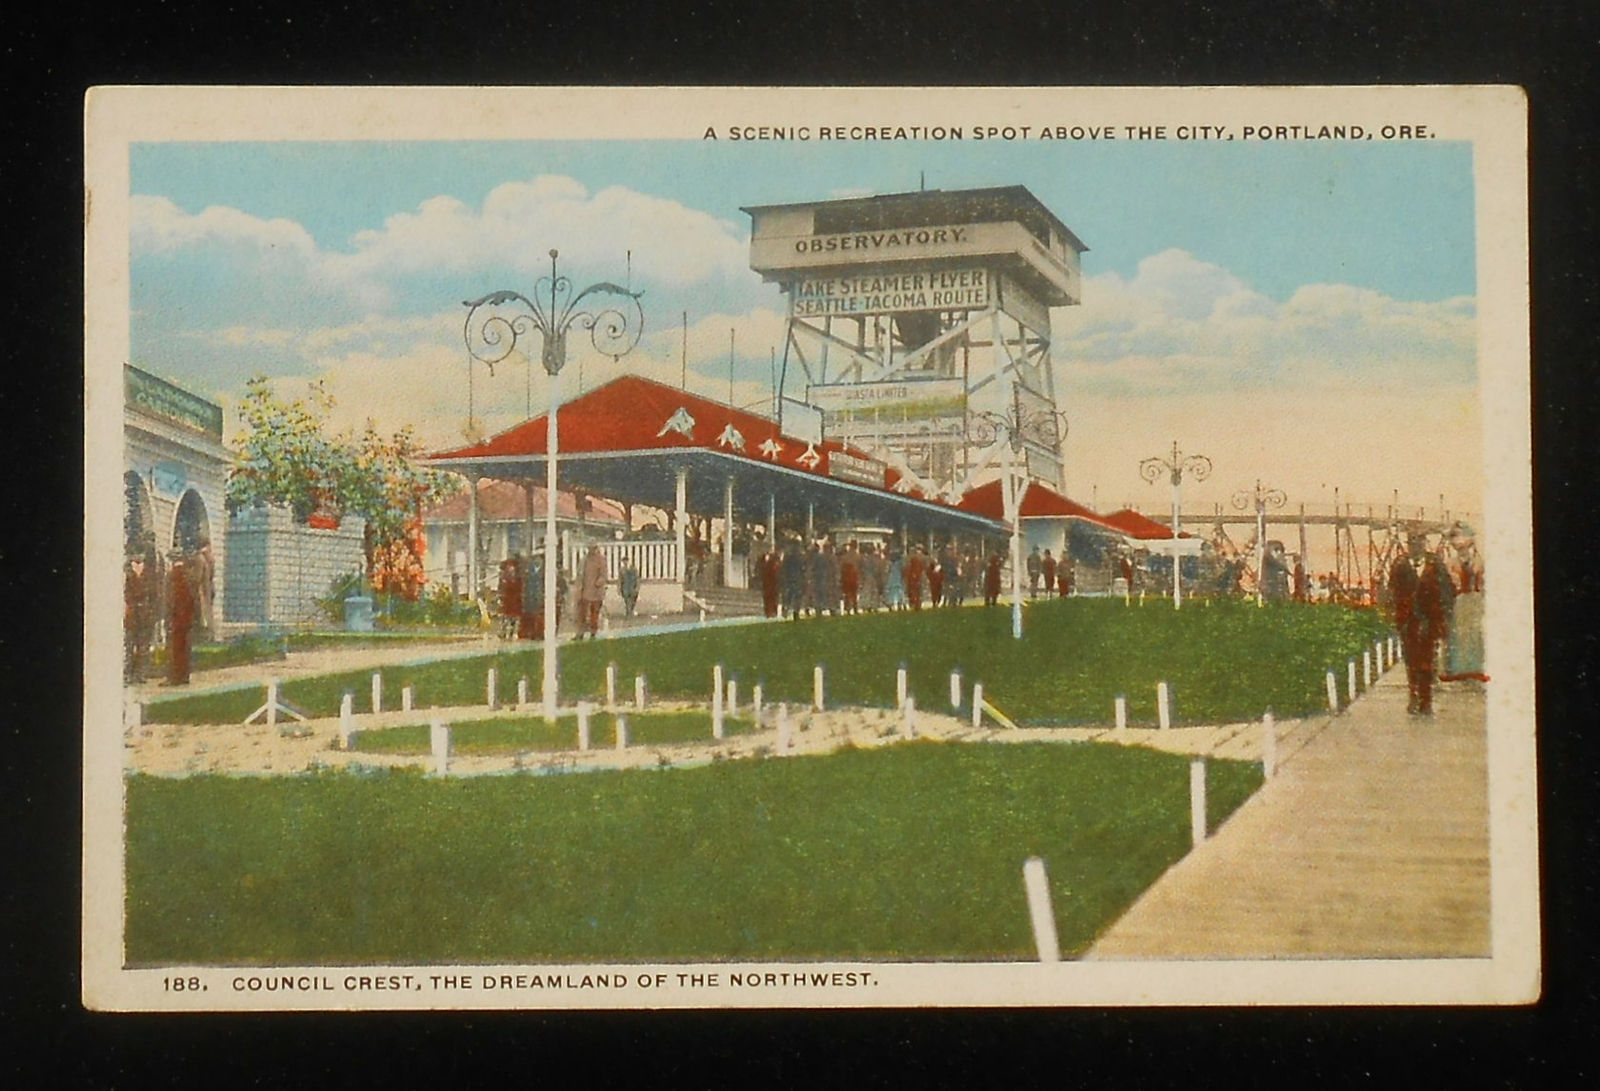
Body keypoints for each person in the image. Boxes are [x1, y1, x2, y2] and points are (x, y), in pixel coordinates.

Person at [1390, 534, 1452, 715]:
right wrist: (1397, 616)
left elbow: (1447, 591)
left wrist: (1443, 617)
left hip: (1429, 620)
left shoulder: (1436, 564)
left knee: (1427, 660)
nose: (1415, 548)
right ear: (1408, 545)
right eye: (1412, 544)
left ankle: (1426, 699)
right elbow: (1393, 592)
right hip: (1407, 621)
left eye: (1419, 544)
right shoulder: (1400, 565)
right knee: (1411, 660)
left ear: (1424, 544)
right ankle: (1413, 695)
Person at [164, 553, 195, 686]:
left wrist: (168, 615)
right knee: (185, 647)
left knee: (175, 648)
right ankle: (184, 675)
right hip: (187, 618)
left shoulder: (173, 576)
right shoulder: (189, 574)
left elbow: (171, 599)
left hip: (176, 618)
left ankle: (175, 677)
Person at [124, 554, 156, 682]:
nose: (139, 557)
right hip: (131, 613)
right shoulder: (126, 573)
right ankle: (128, 674)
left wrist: (151, 610)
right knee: (129, 645)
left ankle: (140, 674)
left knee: (143, 645)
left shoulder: (149, 573)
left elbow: (154, 593)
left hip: (145, 614)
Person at [578, 543, 608, 639]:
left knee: (594, 613)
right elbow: (580, 574)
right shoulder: (584, 560)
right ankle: (581, 632)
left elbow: (604, 575)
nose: (591, 550)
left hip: (596, 592)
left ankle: (593, 632)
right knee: (582, 613)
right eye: (589, 548)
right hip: (584, 591)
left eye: (593, 548)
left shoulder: (601, 560)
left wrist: (598, 583)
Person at [520, 550, 544, 639]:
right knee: (530, 613)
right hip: (530, 594)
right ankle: (531, 632)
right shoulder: (528, 569)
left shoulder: (546, 569)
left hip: (539, 595)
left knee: (538, 614)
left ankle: (538, 632)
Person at [781, 542, 806, 620]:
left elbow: (784, 568)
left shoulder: (788, 556)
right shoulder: (801, 557)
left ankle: (786, 609)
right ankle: (795, 612)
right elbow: (803, 568)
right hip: (797, 579)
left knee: (789, 596)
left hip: (790, 578)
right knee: (797, 596)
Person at [840, 540, 862, 615]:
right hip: (854, 576)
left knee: (848, 594)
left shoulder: (845, 556)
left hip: (847, 576)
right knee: (854, 594)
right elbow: (860, 567)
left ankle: (848, 609)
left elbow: (842, 566)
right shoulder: (858, 556)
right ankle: (855, 608)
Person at [759, 545, 780, 619]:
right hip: (772, 585)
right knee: (772, 598)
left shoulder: (768, 564)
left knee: (769, 599)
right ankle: (772, 612)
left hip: (769, 585)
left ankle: (769, 612)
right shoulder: (774, 564)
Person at [620, 556, 641, 620]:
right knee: (627, 601)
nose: (625, 563)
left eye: (626, 561)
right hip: (625, 588)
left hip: (632, 587)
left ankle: (630, 612)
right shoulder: (622, 570)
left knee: (633, 601)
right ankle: (628, 613)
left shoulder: (633, 569)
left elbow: (637, 579)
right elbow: (620, 580)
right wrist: (619, 588)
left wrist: (637, 587)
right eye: (624, 561)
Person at [906, 546, 926, 611]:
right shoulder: (914, 560)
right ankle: (915, 604)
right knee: (915, 592)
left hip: (915, 578)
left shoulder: (914, 560)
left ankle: (916, 604)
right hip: (914, 578)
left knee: (915, 592)